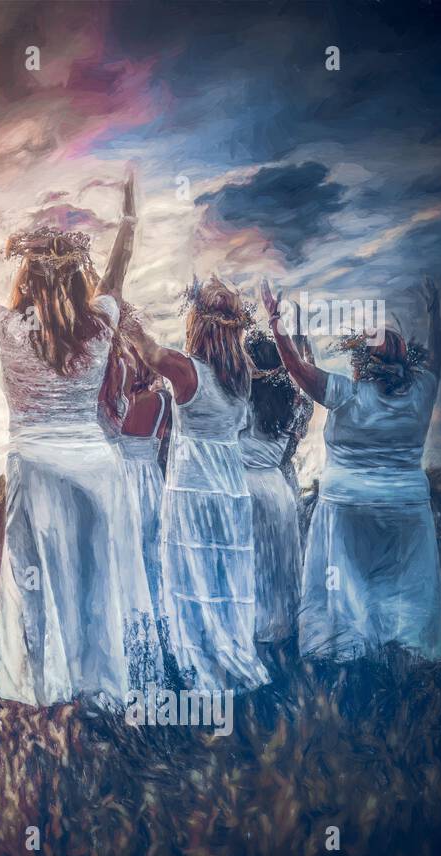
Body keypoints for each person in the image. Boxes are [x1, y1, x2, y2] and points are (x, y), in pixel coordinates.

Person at [0, 188, 159, 708]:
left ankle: (43, 687)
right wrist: (127, 220)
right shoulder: (102, 326)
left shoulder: (8, 330)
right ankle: (99, 689)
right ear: (78, 279)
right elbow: (116, 277)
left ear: (25, 281)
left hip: (36, 468)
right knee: (93, 579)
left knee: (34, 584)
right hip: (94, 468)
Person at [265, 277, 441, 664]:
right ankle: (406, 658)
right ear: (405, 359)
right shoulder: (422, 392)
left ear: (360, 361)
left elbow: (295, 367)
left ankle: (342, 656)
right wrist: (435, 315)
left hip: (347, 506)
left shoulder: (345, 393)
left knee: (344, 587)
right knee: (403, 588)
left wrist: (276, 322)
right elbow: (437, 356)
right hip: (407, 507)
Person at [125, 276, 266, 692]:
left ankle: (196, 666)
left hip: (192, 491)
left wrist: (122, 311)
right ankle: (232, 655)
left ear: (197, 324)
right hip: (232, 490)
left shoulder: (188, 370)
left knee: (191, 578)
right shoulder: (242, 378)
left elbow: (147, 351)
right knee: (226, 578)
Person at [239, 329, 306, 651]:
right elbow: (289, 449)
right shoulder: (293, 402)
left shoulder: (237, 399)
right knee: (279, 564)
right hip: (276, 487)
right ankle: (282, 635)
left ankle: (249, 634)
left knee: (249, 565)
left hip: (242, 486)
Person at [115, 311, 171, 634]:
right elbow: (161, 438)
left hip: (122, 479)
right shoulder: (162, 401)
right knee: (150, 551)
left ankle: (126, 620)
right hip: (151, 480)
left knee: (124, 552)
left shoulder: (116, 402)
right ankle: (153, 619)